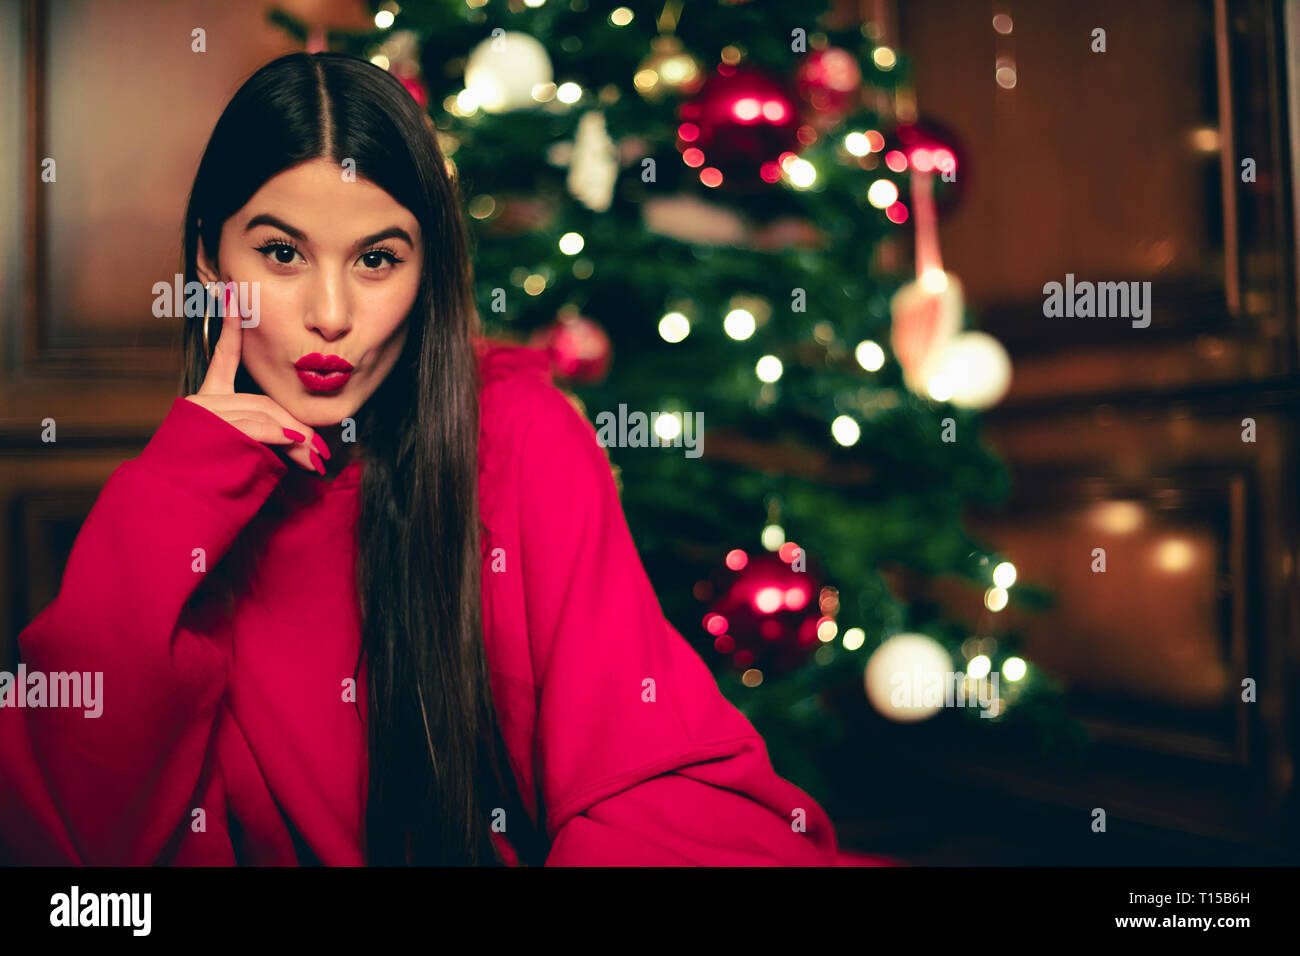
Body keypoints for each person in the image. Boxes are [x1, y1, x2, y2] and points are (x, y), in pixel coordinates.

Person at [0, 52, 839, 866]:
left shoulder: (522, 434)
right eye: (282, 253)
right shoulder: (174, 500)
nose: (330, 314)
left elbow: (645, 777)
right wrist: (185, 482)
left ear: (425, 269)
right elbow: (83, 836)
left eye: (376, 259)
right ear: (209, 263)